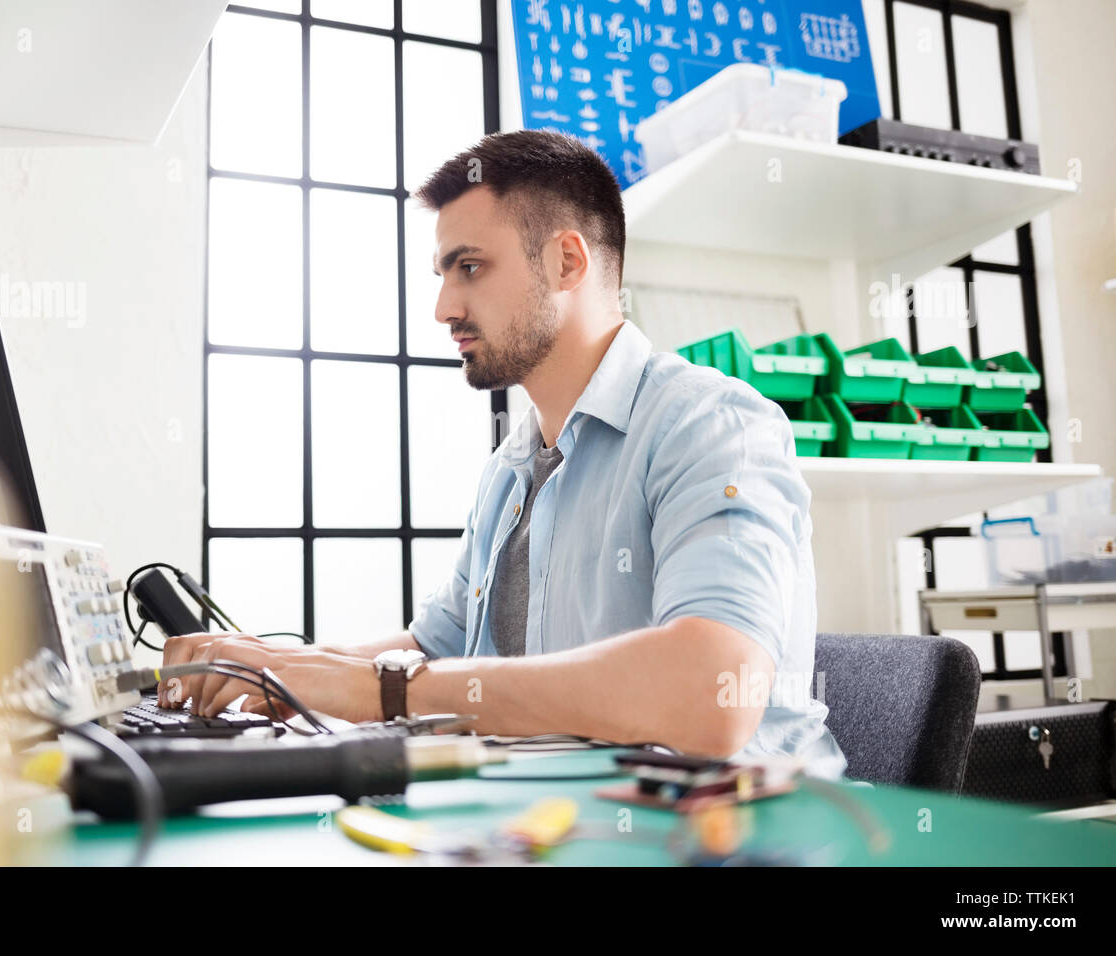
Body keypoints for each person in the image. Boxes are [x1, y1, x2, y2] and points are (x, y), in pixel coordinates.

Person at [162, 129, 846, 777]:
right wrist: (273, 666)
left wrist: (385, 691)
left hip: (734, 835)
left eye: (469, 268)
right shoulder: (512, 466)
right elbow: (437, 646)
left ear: (567, 261)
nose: (441, 307)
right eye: (442, 272)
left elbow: (711, 694)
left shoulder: (710, 425)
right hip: (565, 823)